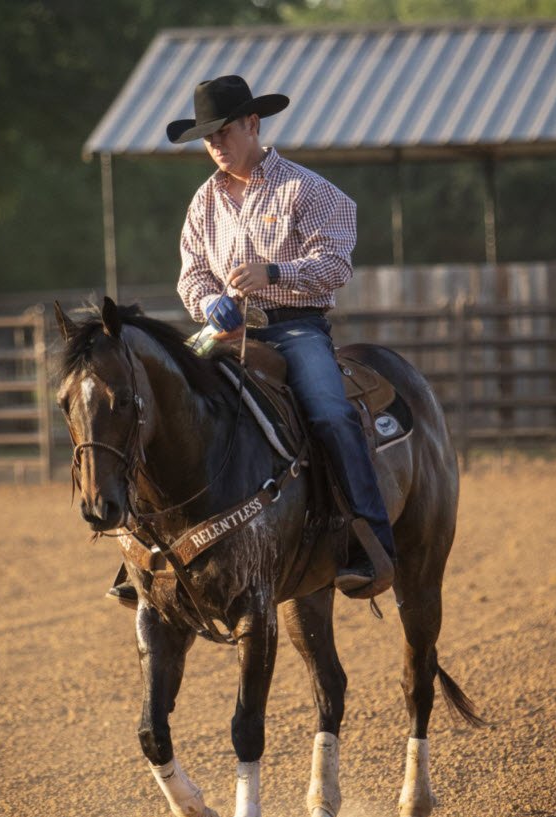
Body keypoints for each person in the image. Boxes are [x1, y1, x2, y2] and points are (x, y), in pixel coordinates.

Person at [167, 75, 395, 594]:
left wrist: (273, 274)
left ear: (253, 124)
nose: (216, 146)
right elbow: (192, 273)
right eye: (208, 139)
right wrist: (208, 302)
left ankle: (369, 539)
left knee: (331, 413)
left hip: (294, 330)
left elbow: (334, 265)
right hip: (226, 331)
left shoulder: (309, 190)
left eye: (223, 132)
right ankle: (154, 548)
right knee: (161, 393)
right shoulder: (203, 203)